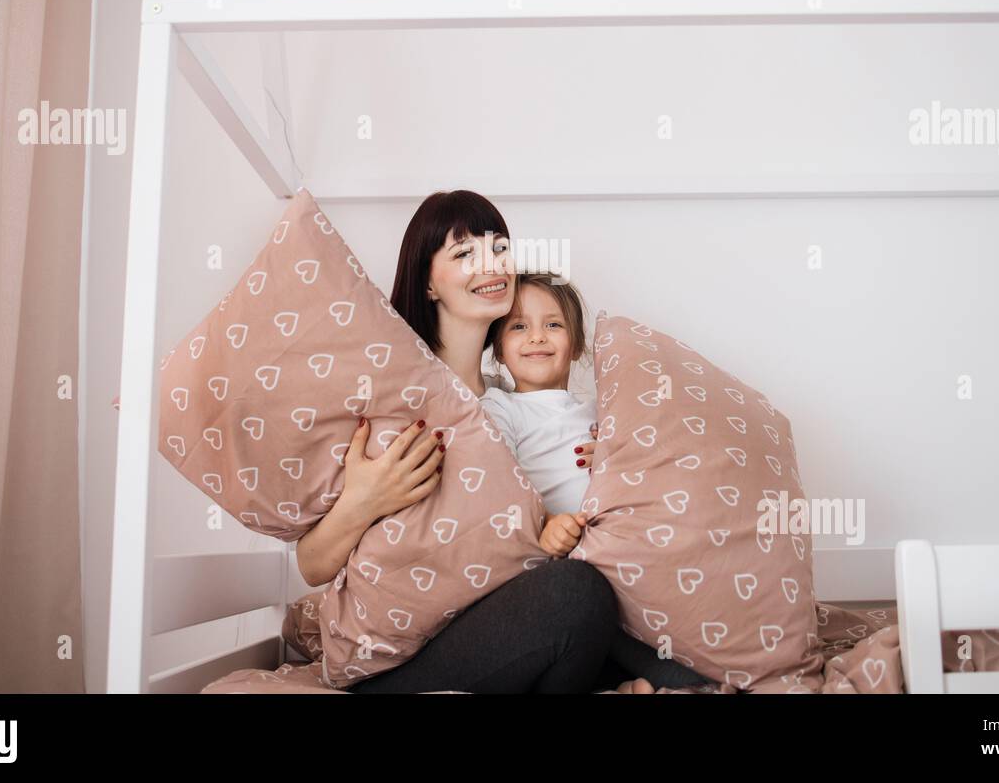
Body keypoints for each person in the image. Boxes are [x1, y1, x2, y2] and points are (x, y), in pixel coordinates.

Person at [294, 191, 636, 693]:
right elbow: (311, 565)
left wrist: (609, 457)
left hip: (491, 626)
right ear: (428, 284)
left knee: (622, 603)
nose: (491, 264)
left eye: (499, 248)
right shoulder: (394, 393)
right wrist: (364, 501)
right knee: (576, 595)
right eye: (463, 254)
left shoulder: (512, 405)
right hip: (402, 660)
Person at [480, 271, 708, 692]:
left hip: (620, 553)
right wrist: (546, 521)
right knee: (603, 621)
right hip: (558, 559)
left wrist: (615, 447)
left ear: (578, 344)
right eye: (518, 326)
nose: (537, 337)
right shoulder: (502, 407)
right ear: (496, 349)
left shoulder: (600, 408)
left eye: (553, 324)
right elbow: (496, 480)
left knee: (671, 647)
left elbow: (644, 460)